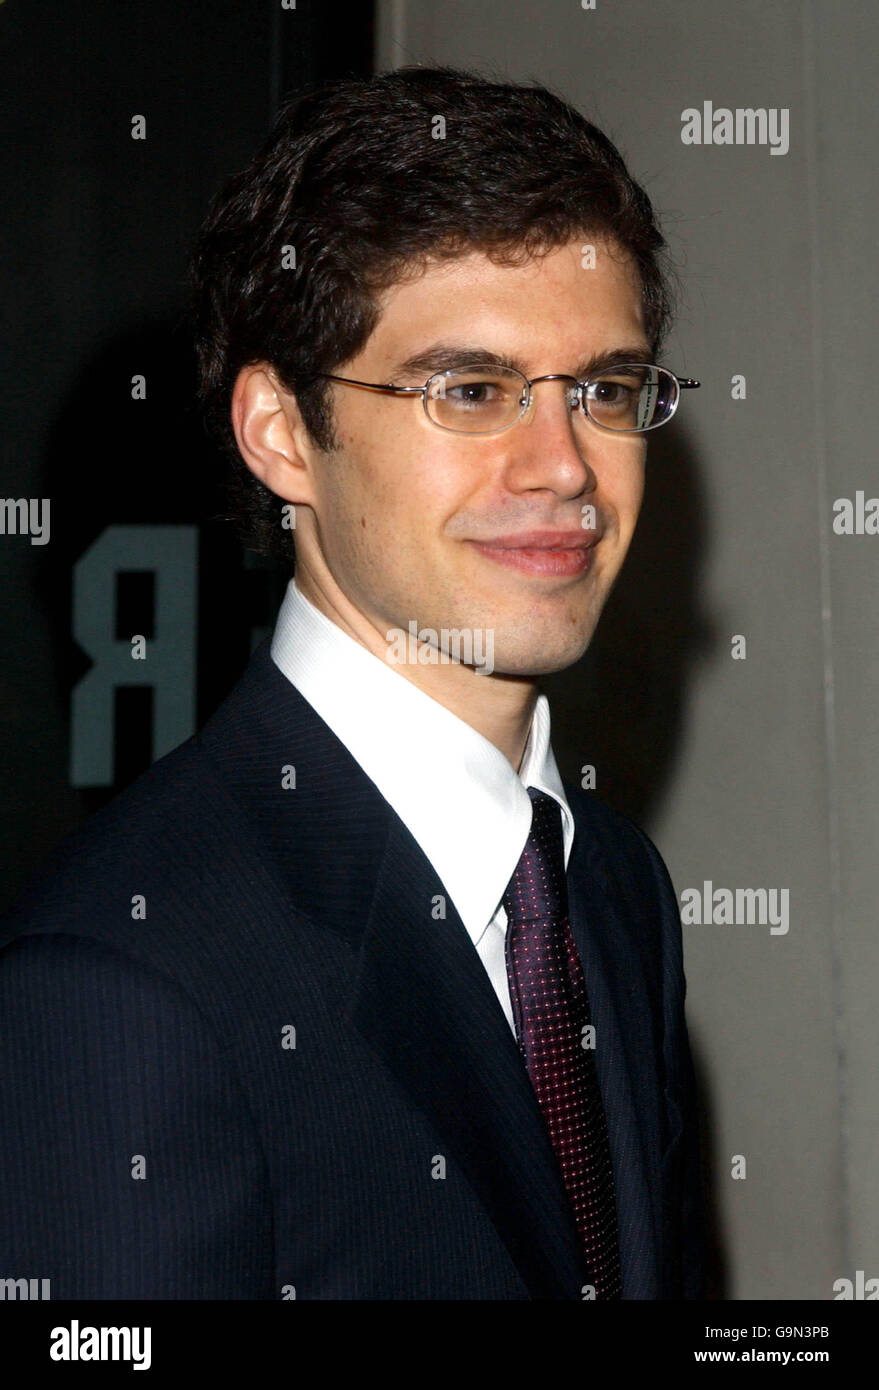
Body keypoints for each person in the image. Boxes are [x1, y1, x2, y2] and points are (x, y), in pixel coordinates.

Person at [0, 66, 703, 1300]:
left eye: (603, 389)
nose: (563, 465)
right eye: (472, 390)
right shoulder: (118, 983)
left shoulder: (610, 887)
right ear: (280, 432)